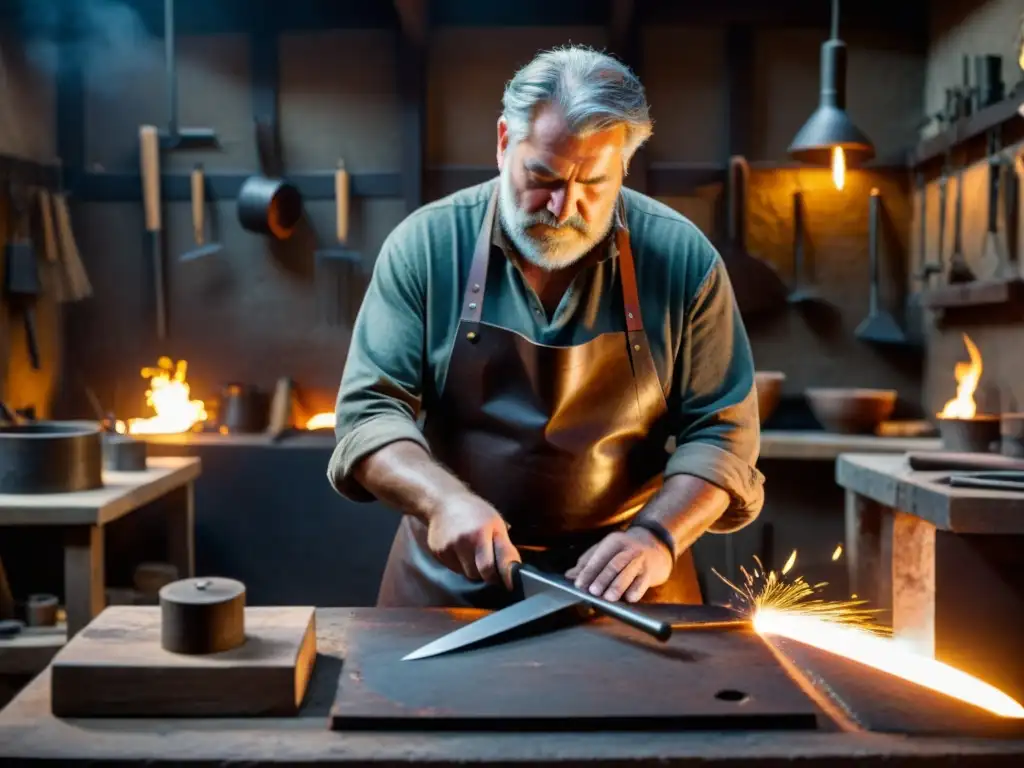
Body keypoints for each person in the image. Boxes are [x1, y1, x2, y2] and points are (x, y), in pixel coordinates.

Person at [328, 45, 764, 609]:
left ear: (624, 166)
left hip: (625, 583)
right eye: (544, 177)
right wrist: (442, 502)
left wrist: (657, 537)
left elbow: (724, 434)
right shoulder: (426, 246)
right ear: (505, 141)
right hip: (451, 581)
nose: (563, 208)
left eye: (593, 185)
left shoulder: (681, 259)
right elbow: (368, 415)